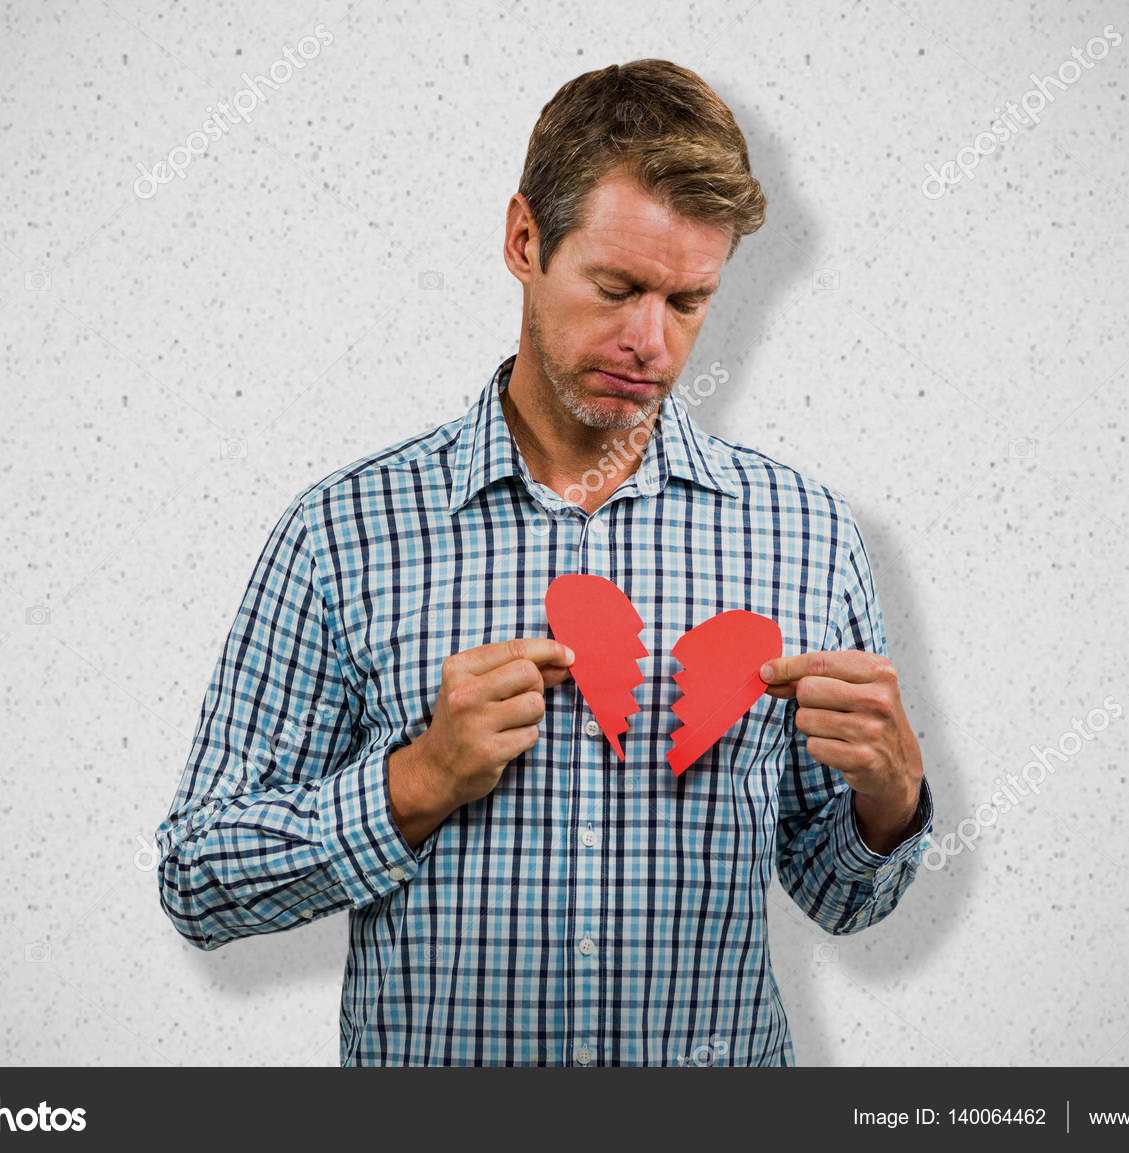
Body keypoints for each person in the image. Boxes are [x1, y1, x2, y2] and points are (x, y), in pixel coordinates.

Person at [156, 58, 933, 1067]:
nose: (649, 342)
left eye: (689, 302)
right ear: (525, 240)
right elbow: (199, 883)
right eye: (616, 288)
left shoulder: (808, 534)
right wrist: (415, 783)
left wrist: (892, 797)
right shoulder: (344, 532)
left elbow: (837, 895)